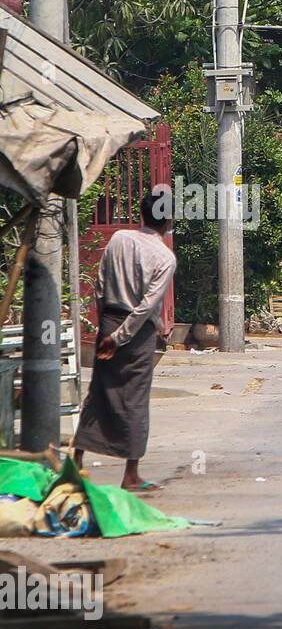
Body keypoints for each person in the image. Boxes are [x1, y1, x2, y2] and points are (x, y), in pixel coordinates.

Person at [73, 190, 178, 492]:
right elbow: (147, 305)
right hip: (134, 333)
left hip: (110, 320)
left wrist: (107, 329)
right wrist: (121, 337)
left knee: (99, 391)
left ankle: (77, 460)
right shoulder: (165, 257)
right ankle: (131, 474)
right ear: (168, 219)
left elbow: (100, 283)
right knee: (134, 399)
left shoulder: (119, 238)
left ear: (143, 214)